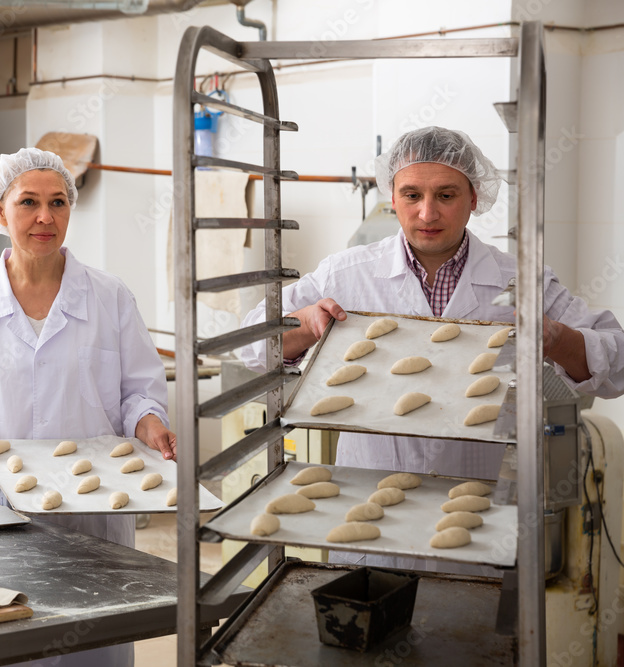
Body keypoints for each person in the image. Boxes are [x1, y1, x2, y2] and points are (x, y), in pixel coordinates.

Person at [238, 126, 624, 570]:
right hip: (371, 502)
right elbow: (251, 347)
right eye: (411, 195)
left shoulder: (519, 280)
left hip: (475, 506)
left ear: (474, 198)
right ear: (391, 196)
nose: (426, 213)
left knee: (466, 629)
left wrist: (556, 338)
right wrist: (305, 326)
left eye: (446, 195)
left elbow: (616, 363)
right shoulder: (348, 273)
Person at [0, 147, 175, 667]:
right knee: (6, 645)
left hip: (95, 512)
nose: (45, 217)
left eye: (58, 203)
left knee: (92, 651)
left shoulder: (109, 296)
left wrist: (149, 421)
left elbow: (138, 391)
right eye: (28, 202)